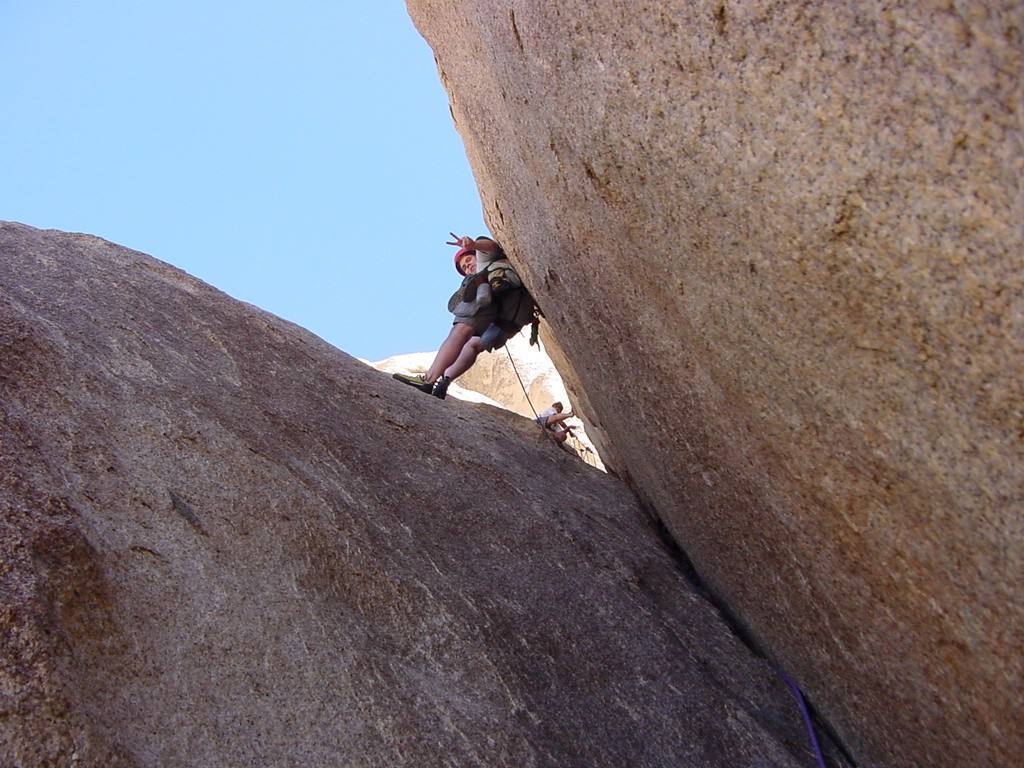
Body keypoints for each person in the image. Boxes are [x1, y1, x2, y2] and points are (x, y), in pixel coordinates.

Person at [393, 233, 534, 399]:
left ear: (475, 256)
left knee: (460, 330)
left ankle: (428, 379)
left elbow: (491, 247)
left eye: (468, 261)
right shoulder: (494, 267)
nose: (468, 267)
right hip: (511, 317)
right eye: (465, 268)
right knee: (473, 345)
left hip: (497, 307)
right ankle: (445, 380)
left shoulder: (484, 261)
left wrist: (473, 245)